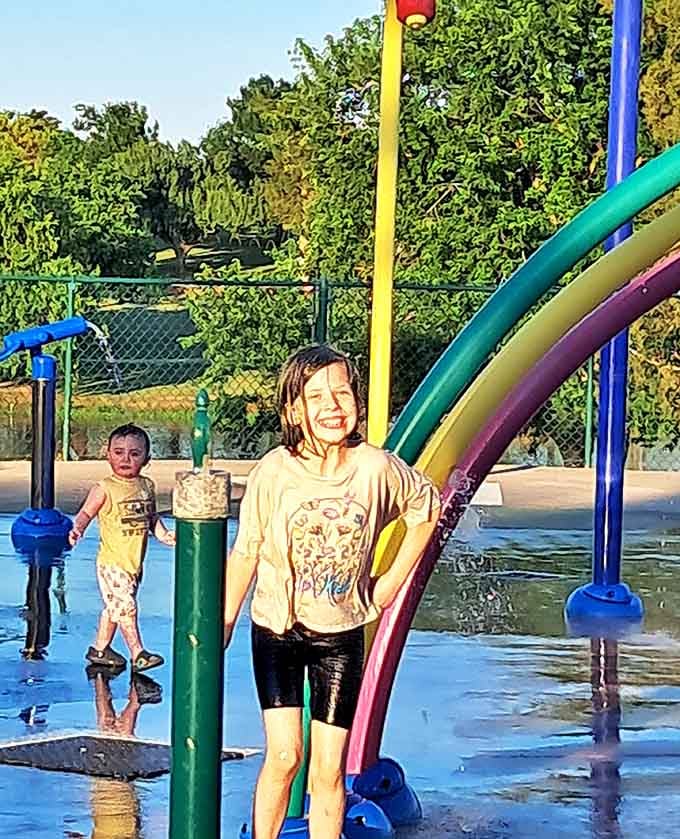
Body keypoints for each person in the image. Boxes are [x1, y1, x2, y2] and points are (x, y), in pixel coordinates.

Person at [223, 345, 441, 839]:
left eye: (341, 393)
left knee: (327, 770)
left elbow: (426, 508)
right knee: (284, 756)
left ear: (357, 402)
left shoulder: (376, 468)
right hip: (277, 628)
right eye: (316, 396)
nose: (332, 406)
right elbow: (246, 551)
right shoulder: (274, 472)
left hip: (340, 633)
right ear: (293, 411)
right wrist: (225, 621)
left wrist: (389, 582)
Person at [69, 423, 175, 673]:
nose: (125, 459)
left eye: (134, 453)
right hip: (112, 563)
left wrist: (165, 535)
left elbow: (151, 517)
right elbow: (86, 513)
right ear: (108, 454)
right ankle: (138, 653)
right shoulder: (105, 488)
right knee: (126, 607)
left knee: (115, 608)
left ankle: (99, 649)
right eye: (118, 452)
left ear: (146, 458)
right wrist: (78, 528)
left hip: (133, 563)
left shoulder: (146, 485)